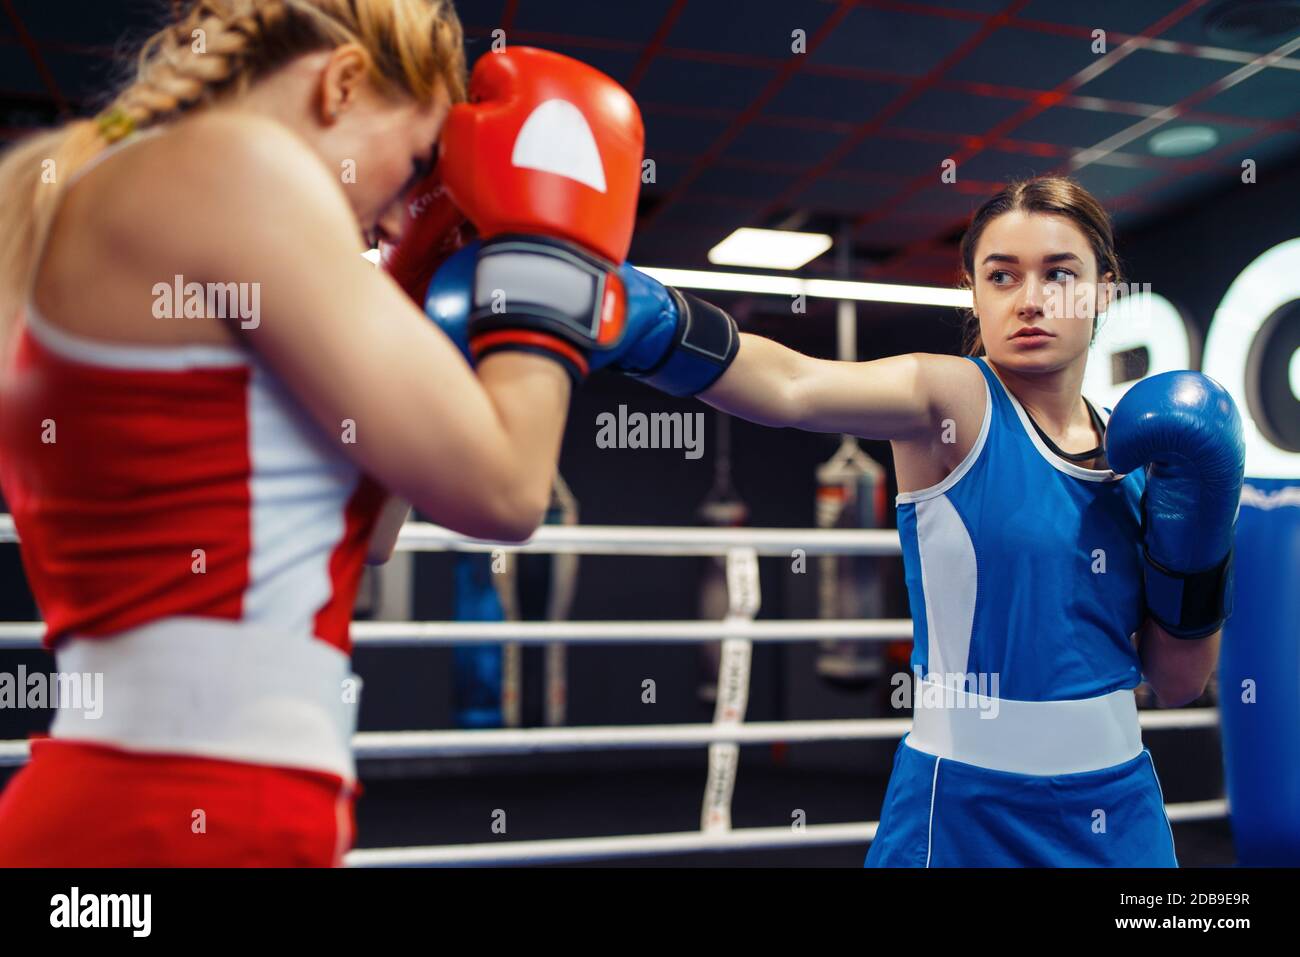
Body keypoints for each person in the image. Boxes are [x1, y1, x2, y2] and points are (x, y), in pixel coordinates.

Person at [0, 0, 646, 866]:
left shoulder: (151, 187)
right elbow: (506, 488)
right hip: (187, 810)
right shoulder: (234, 170)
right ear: (342, 84)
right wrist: (551, 254)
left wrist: (407, 280)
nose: (394, 212)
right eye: (416, 159)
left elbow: (370, 536)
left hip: (169, 801)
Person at [449, 175, 1241, 866]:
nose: (1030, 298)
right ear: (976, 292)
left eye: (1059, 274)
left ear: (1105, 290)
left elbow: (1176, 681)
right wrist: (644, 318)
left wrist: (1200, 535)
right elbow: (792, 385)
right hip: (968, 806)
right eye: (1002, 276)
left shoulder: (1147, 453)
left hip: (1119, 805)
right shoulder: (954, 403)